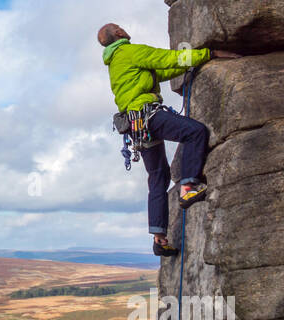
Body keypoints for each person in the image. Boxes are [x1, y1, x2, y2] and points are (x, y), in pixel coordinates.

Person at [98, 23, 240, 256]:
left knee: (158, 176)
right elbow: (165, 59)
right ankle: (188, 187)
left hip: (136, 126)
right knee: (195, 132)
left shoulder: (115, 62)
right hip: (149, 116)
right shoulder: (129, 52)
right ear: (119, 34)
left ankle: (159, 238)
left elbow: (160, 72)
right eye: (119, 27)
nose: (123, 28)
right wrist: (210, 54)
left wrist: (192, 64)